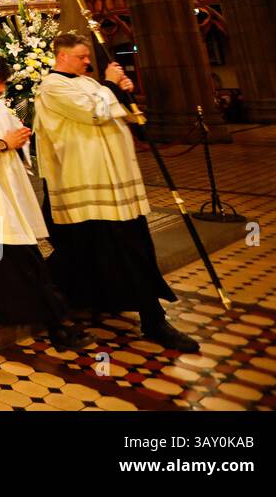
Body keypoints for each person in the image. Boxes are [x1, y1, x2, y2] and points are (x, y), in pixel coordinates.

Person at [34, 32, 199, 352]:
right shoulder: (52, 87)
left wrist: (123, 95)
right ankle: (152, 318)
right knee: (106, 252)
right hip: (87, 189)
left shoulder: (92, 85)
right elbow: (92, 113)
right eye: (81, 56)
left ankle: (120, 307)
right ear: (62, 56)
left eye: (87, 56)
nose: (87, 61)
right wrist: (110, 87)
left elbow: (119, 115)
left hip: (114, 187)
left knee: (122, 249)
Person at [0, 56, 90, 349]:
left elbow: (15, 136)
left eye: (3, 83)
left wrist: (23, 138)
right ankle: (56, 326)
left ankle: (13, 314)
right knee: (23, 264)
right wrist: (4, 144)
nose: (1, 89)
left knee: (17, 264)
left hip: (9, 195)